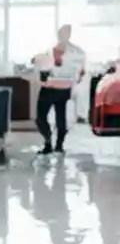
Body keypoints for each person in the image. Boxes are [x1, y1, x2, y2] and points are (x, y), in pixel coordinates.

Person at [35, 24, 87, 155]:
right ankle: (49, 141)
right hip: (48, 88)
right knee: (41, 118)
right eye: (62, 33)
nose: (64, 35)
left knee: (60, 119)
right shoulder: (49, 51)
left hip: (63, 88)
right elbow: (42, 70)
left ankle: (58, 145)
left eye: (66, 33)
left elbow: (81, 72)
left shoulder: (77, 52)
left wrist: (76, 77)